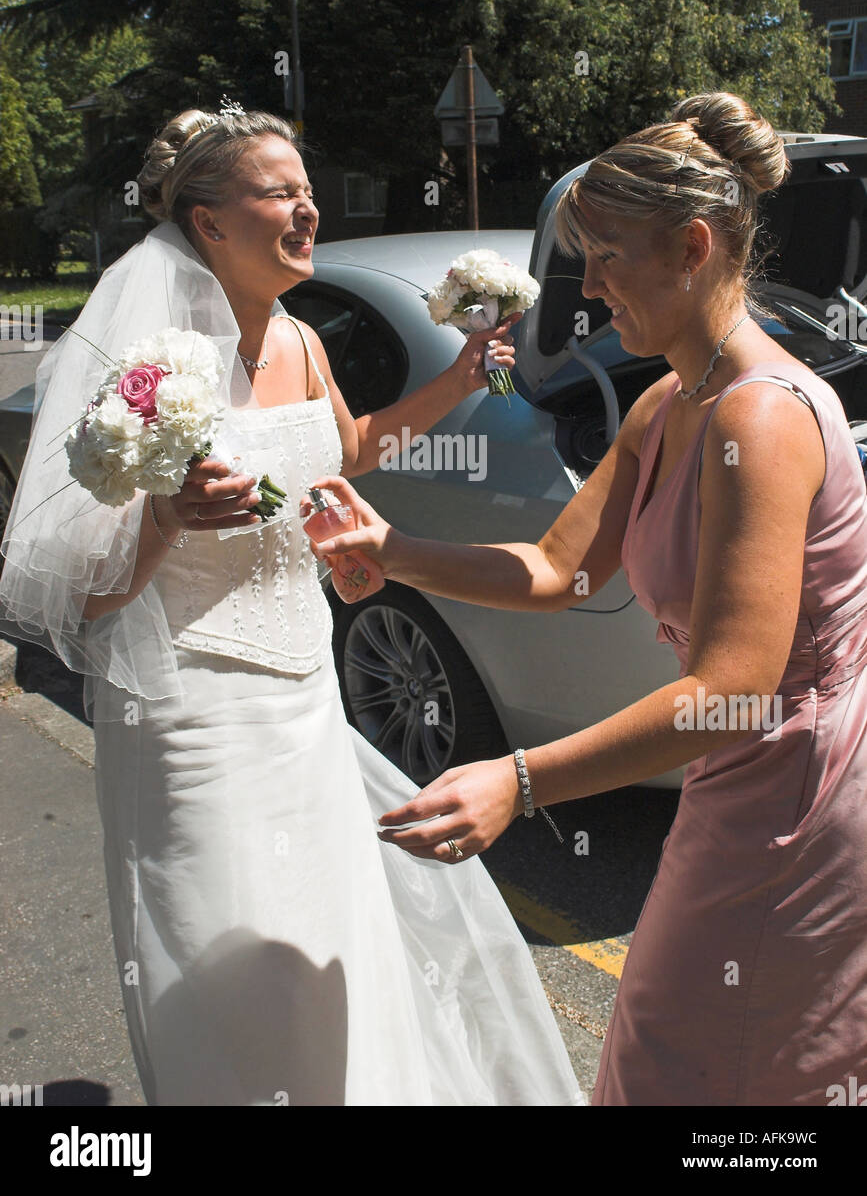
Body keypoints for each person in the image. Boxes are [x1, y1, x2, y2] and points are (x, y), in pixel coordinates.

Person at [0, 103, 584, 1106]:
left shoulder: (306, 344)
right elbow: (85, 596)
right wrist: (165, 519)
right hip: (192, 715)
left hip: (307, 699)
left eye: (309, 191)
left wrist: (449, 385)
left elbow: (344, 453)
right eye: (280, 191)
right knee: (232, 965)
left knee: (324, 943)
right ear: (209, 221)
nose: (308, 208)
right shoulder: (144, 373)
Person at [306, 91, 867, 1107]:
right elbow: (558, 569)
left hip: (801, 800)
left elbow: (736, 682)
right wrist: (390, 549)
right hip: (735, 780)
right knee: (689, 1060)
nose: (592, 291)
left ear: (693, 244)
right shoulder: (666, 401)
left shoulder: (768, 418)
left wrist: (518, 781)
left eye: (607, 258)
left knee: (710, 1068)